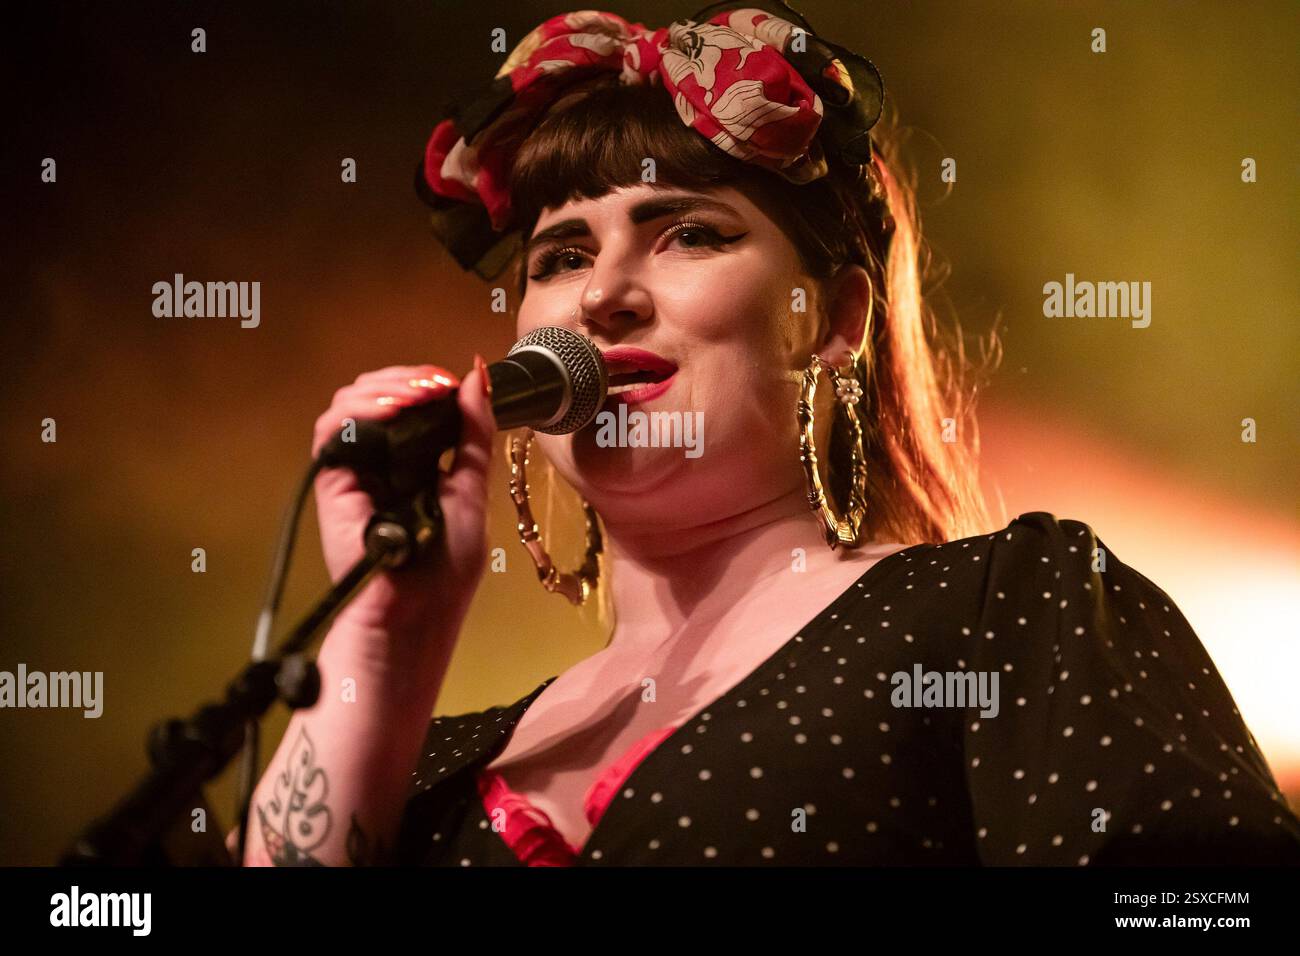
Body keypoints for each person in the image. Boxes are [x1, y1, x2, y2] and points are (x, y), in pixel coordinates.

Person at [238, 2, 1300, 866]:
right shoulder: (426, 768)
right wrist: (382, 644)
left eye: (688, 234)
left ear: (832, 318)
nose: (602, 291)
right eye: (558, 256)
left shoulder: (999, 610)